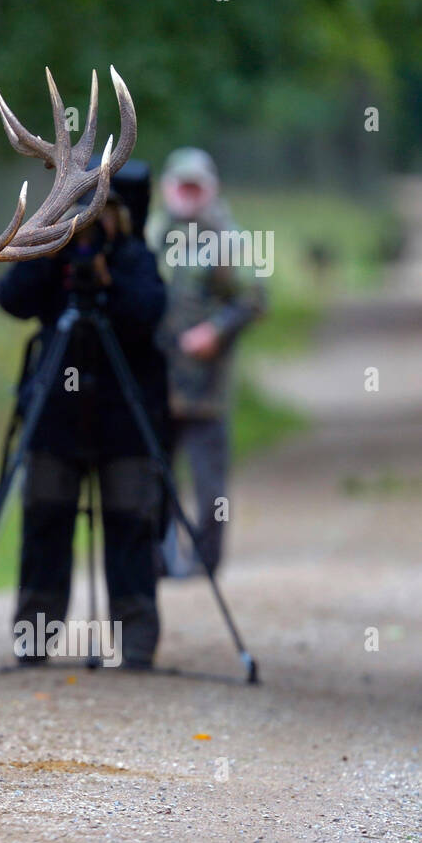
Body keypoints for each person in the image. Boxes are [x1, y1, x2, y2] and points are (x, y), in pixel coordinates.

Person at [0, 169, 169, 668]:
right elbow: (11, 298)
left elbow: (149, 312)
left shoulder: (134, 259)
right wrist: (51, 251)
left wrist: (110, 277)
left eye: (100, 214)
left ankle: (136, 641)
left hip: (125, 421)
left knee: (132, 523)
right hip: (56, 418)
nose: (89, 227)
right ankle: (34, 635)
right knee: (45, 520)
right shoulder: (55, 261)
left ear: (121, 216)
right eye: (82, 216)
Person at [147, 148, 266, 577]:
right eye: (181, 184)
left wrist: (215, 331)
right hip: (157, 383)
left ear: (209, 189)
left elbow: (254, 300)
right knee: (156, 476)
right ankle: (159, 558)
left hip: (205, 389)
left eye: (196, 185)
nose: (187, 192)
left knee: (209, 485)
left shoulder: (226, 238)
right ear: (168, 187)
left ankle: (206, 560)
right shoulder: (151, 233)